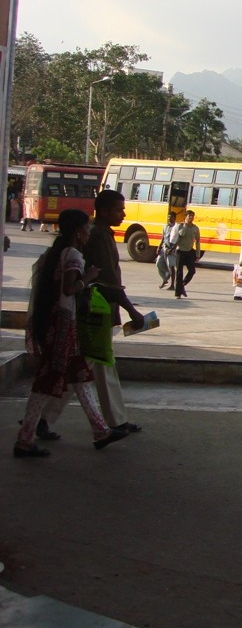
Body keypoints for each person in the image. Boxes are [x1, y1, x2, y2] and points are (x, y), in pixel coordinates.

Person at [14, 209, 127, 457]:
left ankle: (100, 430)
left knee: (80, 378)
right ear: (77, 231)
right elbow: (69, 288)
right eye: (86, 228)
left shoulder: (55, 253)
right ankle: (25, 440)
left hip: (57, 324)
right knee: (46, 384)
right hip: (63, 327)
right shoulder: (73, 254)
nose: (89, 232)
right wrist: (88, 278)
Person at [42, 188, 144, 436]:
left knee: (98, 365)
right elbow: (106, 281)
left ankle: (114, 420)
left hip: (100, 310)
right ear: (105, 211)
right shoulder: (97, 236)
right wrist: (131, 310)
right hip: (96, 312)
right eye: (119, 210)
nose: (123, 214)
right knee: (85, 366)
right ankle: (41, 417)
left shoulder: (102, 234)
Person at [174, 210, 200, 299]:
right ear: (185, 217)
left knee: (192, 270)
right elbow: (182, 234)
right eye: (189, 216)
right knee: (179, 272)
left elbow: (198, 241)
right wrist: (185, 225)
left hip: (189, 251)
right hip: (180, 251)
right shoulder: (180, 226)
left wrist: (197, 254)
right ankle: (178, 293)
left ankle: (182, 286)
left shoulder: (195, 228)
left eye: (192, 216)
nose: (191, 218)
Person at [156, 211, 178, 290]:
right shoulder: (165, 226)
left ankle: (172, 285)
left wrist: (172, 249)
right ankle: (165, 279)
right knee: (158, 264)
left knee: (171, 266)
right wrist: (159, 247)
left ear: (174, 218)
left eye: (171, 217)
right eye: (168, 217)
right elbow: (163, 237)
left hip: (171, 249)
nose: (169, 218)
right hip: (164, 248)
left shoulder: (176, 227)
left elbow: (178, 240)